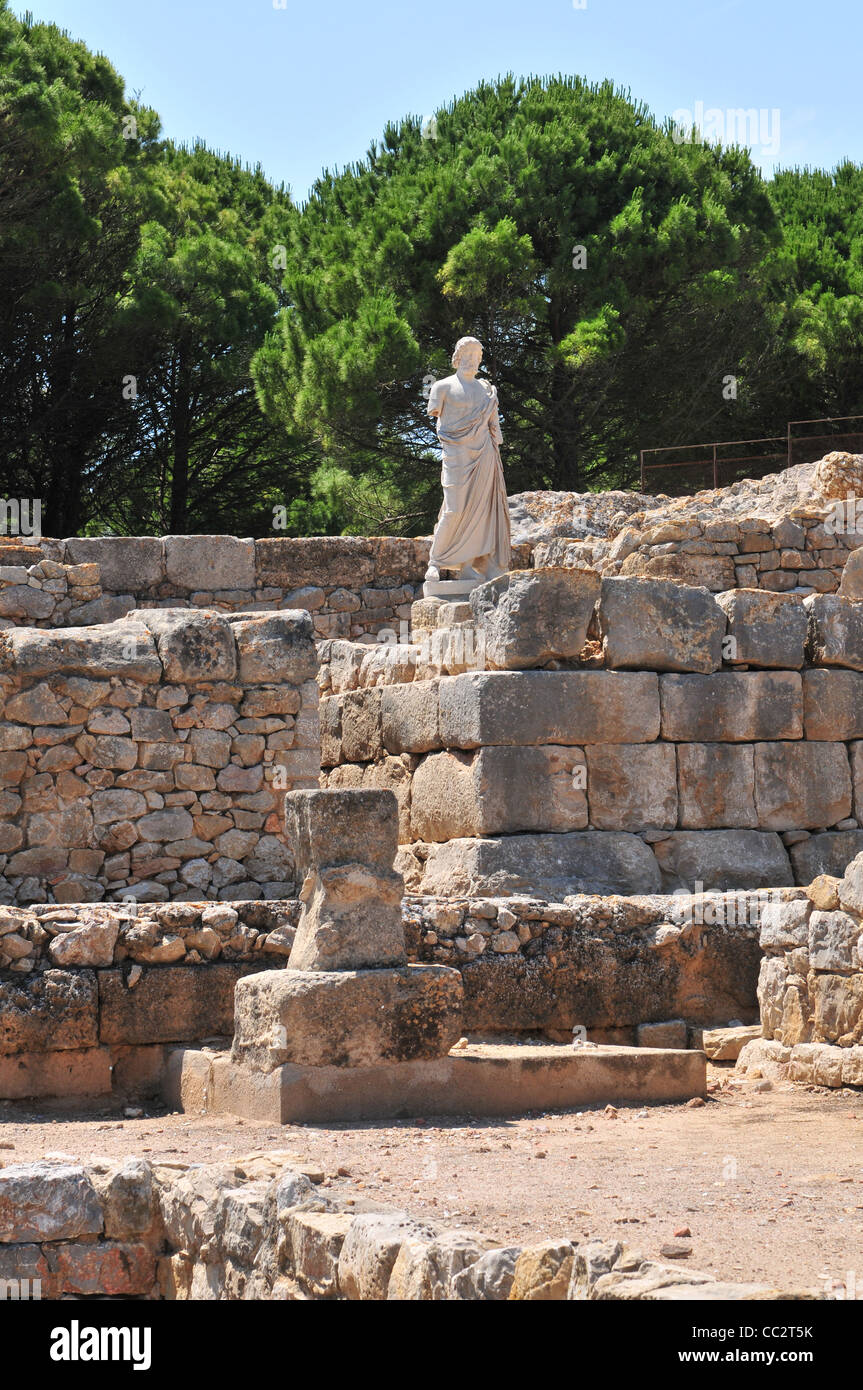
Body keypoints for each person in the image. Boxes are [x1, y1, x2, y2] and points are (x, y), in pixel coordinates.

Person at [425, 336, 511, 587]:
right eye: (468, 355)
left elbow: (495, 428)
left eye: (477, 356)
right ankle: (435, 561)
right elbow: (439, 423)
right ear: (457, 356)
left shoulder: (485, 390)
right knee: (455, 509)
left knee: (480, 511)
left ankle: (467, 566)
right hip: (457, 454)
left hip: (484, 453)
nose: (472, 360)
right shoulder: (441, 387)